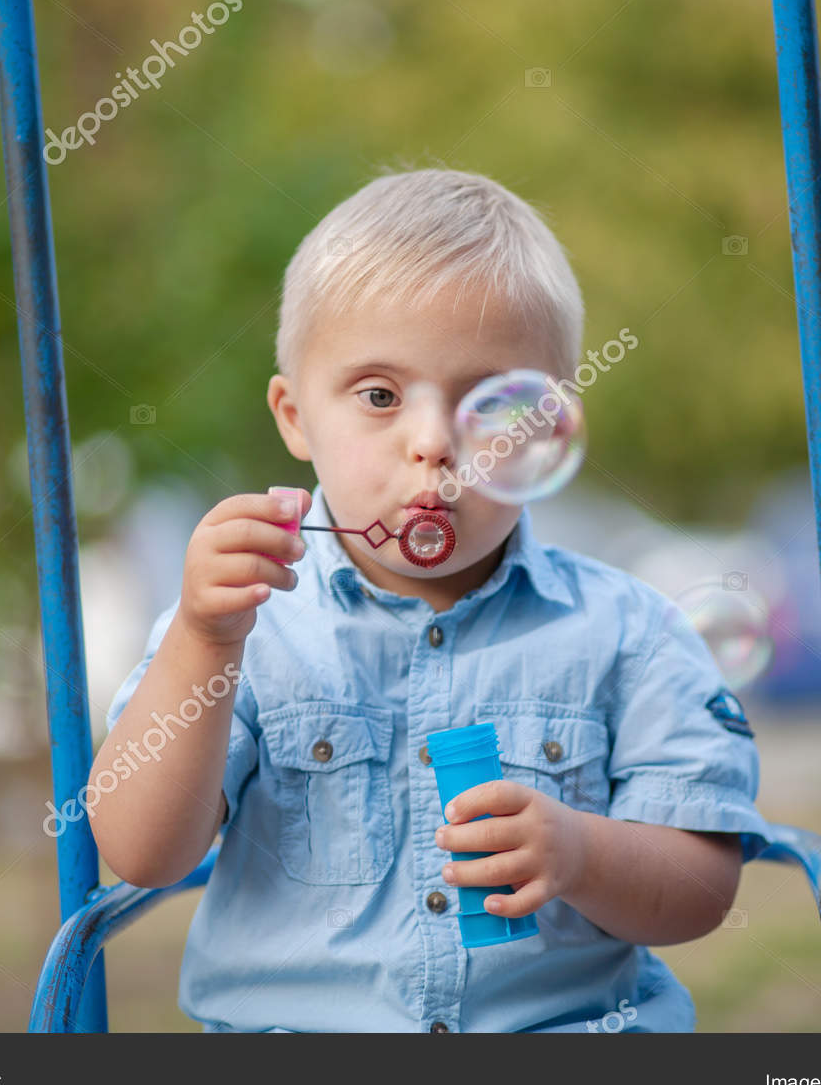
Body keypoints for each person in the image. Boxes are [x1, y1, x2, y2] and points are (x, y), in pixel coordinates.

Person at [94, 167, 770, 1032]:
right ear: (296, 417)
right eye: (379, 395)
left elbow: (702, 893)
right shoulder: (247, 629)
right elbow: (139, 849)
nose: (432, 444)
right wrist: (203, 640)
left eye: (489, 404)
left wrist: (583, 851)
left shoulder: (628, 632)